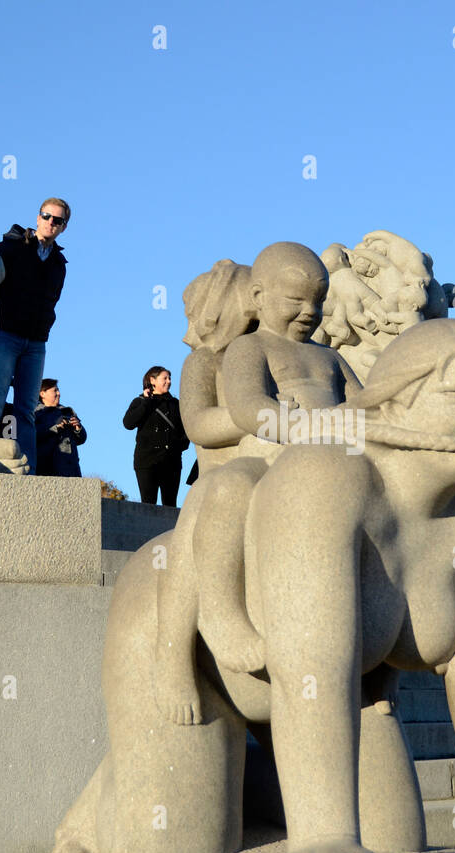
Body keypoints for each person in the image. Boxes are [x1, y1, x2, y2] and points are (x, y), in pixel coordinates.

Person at [58, 319, 455, 853]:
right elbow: (310, 666)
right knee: (182, 849)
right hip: (190, 655)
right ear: (397, 398)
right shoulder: (326, 477)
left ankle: (257, 796)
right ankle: (102, 813)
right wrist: (324, 835)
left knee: (394, 845)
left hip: (357, 695)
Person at [153, 245, 362, 725]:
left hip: (322, 462)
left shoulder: (327, 357)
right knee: (219, 498)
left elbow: (365, 404)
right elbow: (202, 426)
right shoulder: (220, 360)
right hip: (249, 466)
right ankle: (191, 636)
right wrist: (280, 421)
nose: (309, 313)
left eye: (317, 302)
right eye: (294, 301)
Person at [0, 197, 70, 472]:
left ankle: (30, 472)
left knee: (26, 409)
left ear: (63, 227)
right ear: (38, 218)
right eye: (46, 216)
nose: (51, 222)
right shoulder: (12, 247)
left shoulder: (59, 264)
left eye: (57, 220)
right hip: (6, 336)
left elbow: (53, 300)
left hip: (36, 343)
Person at [122, 366, 188, 505]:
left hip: (171, 462)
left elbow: (187, 429)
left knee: (170, 505)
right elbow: (128, 423)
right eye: (165, 378)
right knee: (148, 504)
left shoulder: (176, 404)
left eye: (170, 378)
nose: (169, 381)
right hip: (147, 461)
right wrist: (146, 403)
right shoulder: (140, 402)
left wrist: (179, 446)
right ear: (152, 380)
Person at [34, 378, 84, 477]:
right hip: (46, 469)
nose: (59, 393)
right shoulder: (35, 413)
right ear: (42, 393)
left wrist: (78, 428)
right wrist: (55, 428)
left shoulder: (67, 411)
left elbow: (82, 438)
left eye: (58, 390)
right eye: (55, 390)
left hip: (71, 470)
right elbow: (31, 435)